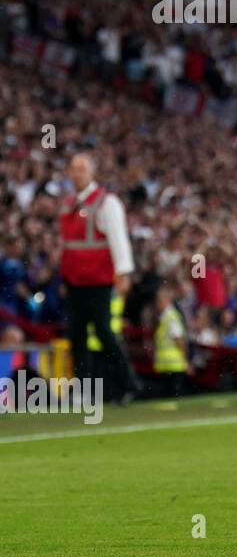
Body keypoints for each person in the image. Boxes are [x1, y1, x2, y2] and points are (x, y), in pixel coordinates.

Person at [59, 152, 139, 405]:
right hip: (75, 280)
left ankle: (127, 383)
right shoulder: (70, 203)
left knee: (104, 332)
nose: (76, 174)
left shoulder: (106, 202)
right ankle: (83, 389)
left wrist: (123, 272)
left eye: (81, 169)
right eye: (73, 169)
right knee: (77, 334)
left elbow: (118, 239)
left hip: (99, 280)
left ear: (92, 172)